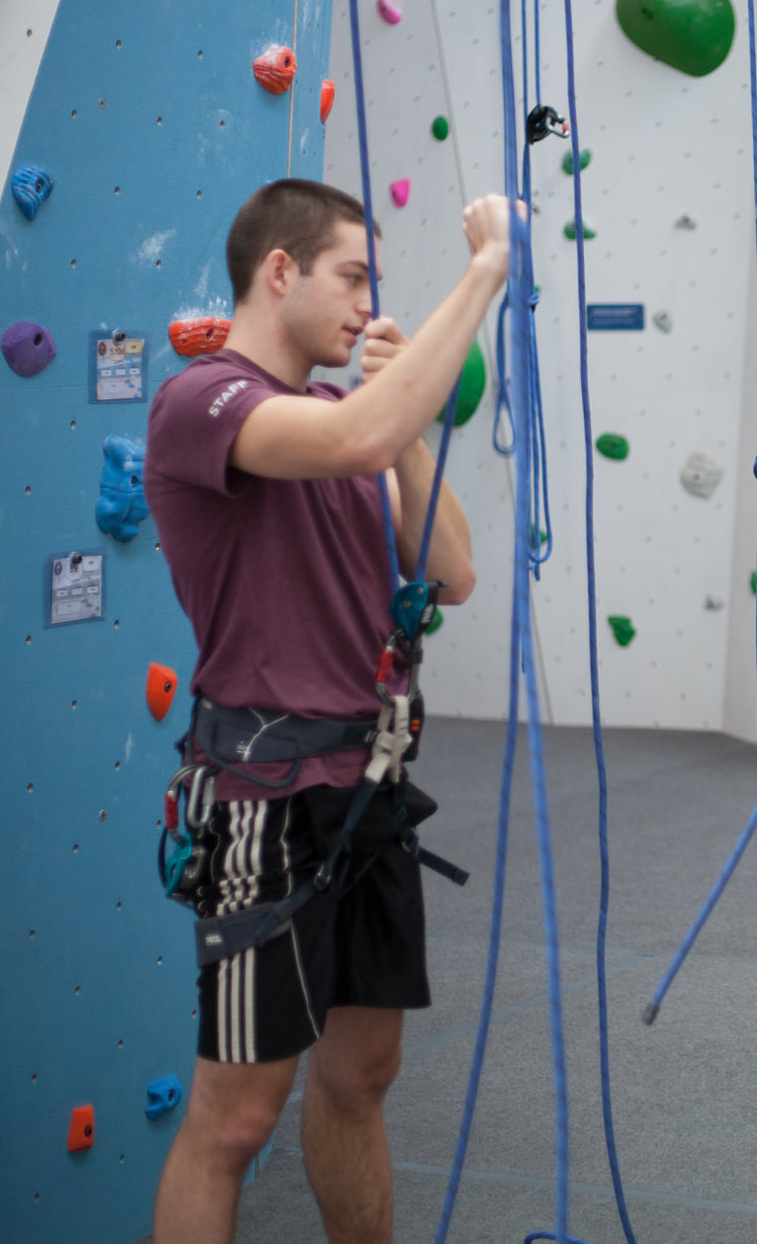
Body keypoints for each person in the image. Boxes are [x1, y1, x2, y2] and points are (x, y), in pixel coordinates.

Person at [145, 178, 511, 1244]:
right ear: (278, 272)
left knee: (362, 1075)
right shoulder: (204, 401)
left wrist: (402, 428)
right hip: (266, 796)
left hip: (370, 790)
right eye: (349, 276)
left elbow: (451, 574)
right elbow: (347, 441)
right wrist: (482, 274)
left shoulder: (347, 425)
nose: (363, 302)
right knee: (237, 1114)